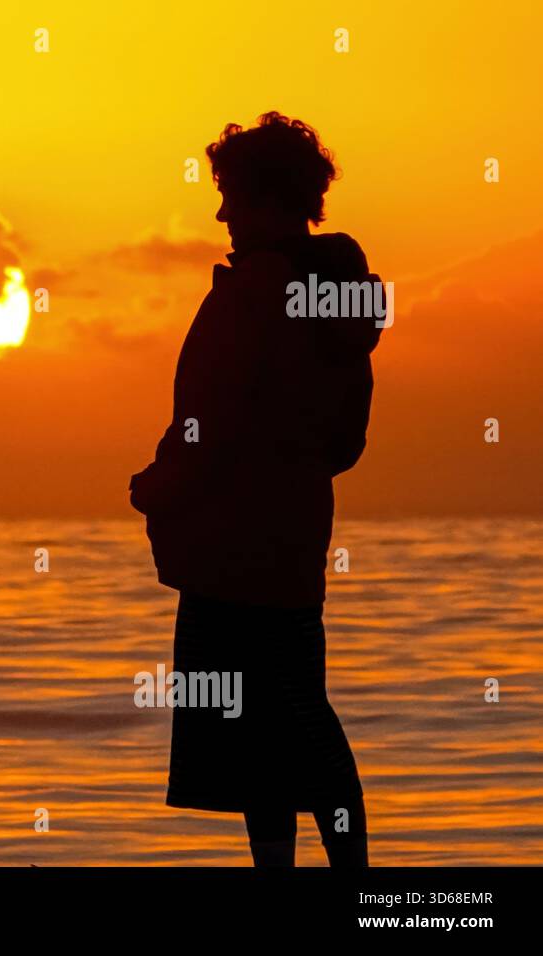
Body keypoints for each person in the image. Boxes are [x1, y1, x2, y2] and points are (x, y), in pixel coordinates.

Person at [129, 112, 384, 866]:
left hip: (230, 549)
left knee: (268, 731)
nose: (221, 215)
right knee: (293, 722)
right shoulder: (332, 300)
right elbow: (345, 441)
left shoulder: (257, 298)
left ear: (269, 200)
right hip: (291, 545)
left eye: (231, 197)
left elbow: (209, 423)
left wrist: (156, 488)